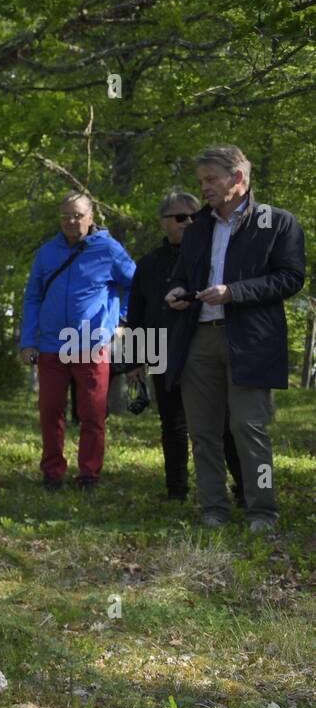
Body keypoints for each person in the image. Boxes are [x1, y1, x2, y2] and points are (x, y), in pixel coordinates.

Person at [165, 145, 307, 532]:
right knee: (203, 431)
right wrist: (177, 291)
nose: (205, 188)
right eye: (202, 181)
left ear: (238, 178)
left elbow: (290, 278)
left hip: (252, 341)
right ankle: (213, 509)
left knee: (249, 428)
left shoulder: (279, 223)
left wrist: (234, 292)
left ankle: (262, 510)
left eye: (211, 180)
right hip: (198, 340)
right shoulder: (197, 231)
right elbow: (180, 274)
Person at [125, 191, 244, 503]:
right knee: (173, 424)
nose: (189, 222)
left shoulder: (215, 258)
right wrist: (135, 360)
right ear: (164, 223)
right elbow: (137, 314)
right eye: (180, 218)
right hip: (163, 351)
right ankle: (176, 490)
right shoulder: (148, 264)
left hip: (206, 349)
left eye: (195, 216)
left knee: (224, 424)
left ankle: (245, 490)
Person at [20, 193, 136, 491]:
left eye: (77, 215)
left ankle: (88, 474)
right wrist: (28, 341)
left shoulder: (109, 249)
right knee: (50, 411)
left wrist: (121, 320)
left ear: (91, 215)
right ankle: (52, 472)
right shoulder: (47, 253)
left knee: (93, 413)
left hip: (92, 345)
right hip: (50, 346)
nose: (71, 221)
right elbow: (32, 297)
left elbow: (135, 284)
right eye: (65, 216)